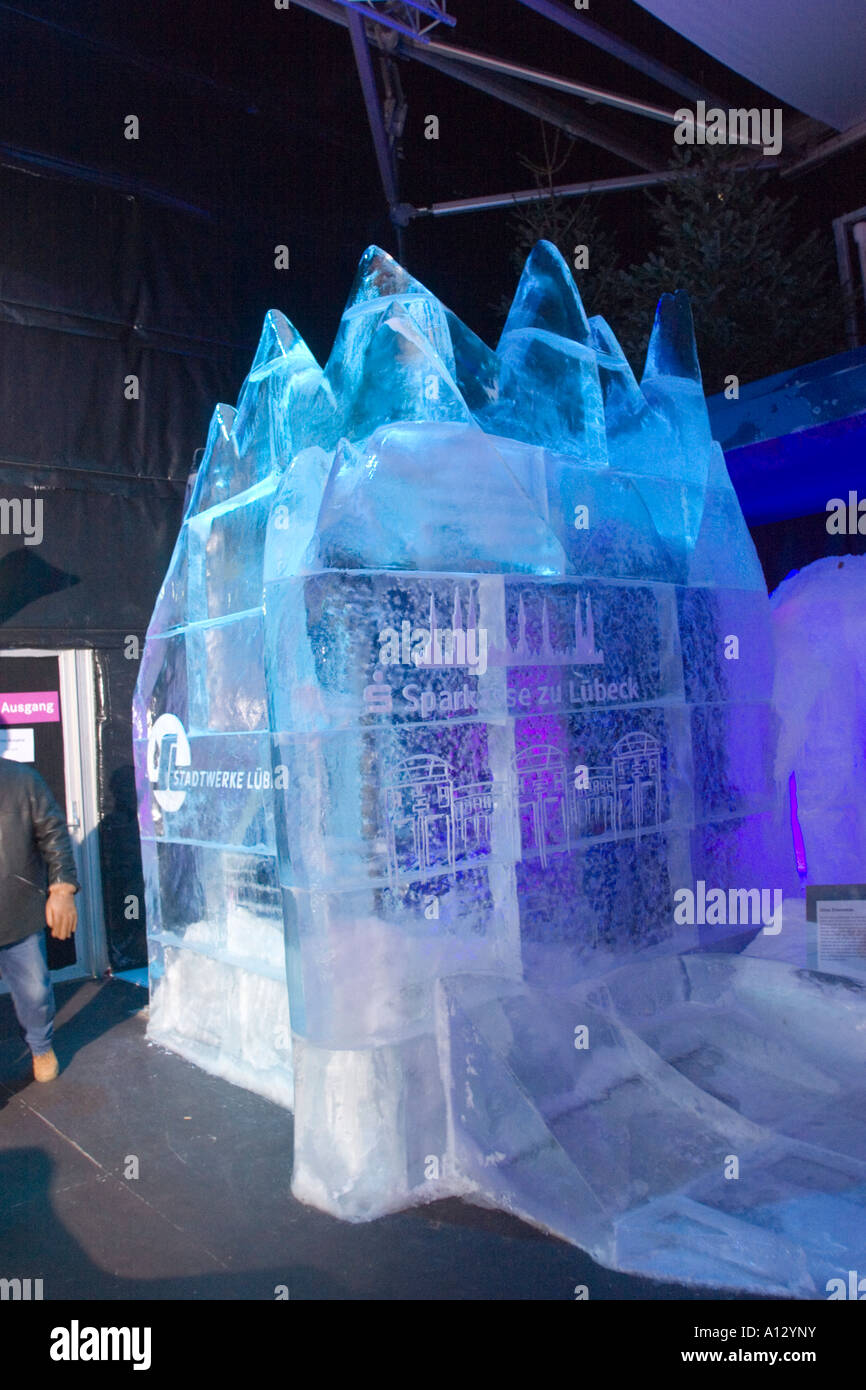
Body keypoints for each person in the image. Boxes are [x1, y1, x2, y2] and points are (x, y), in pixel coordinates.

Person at [0, 756, 79, 1081]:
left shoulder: (22, 779)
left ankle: (40, 1046)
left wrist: (62, 888)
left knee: (34, 991)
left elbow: (54, 834)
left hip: (14, 908)